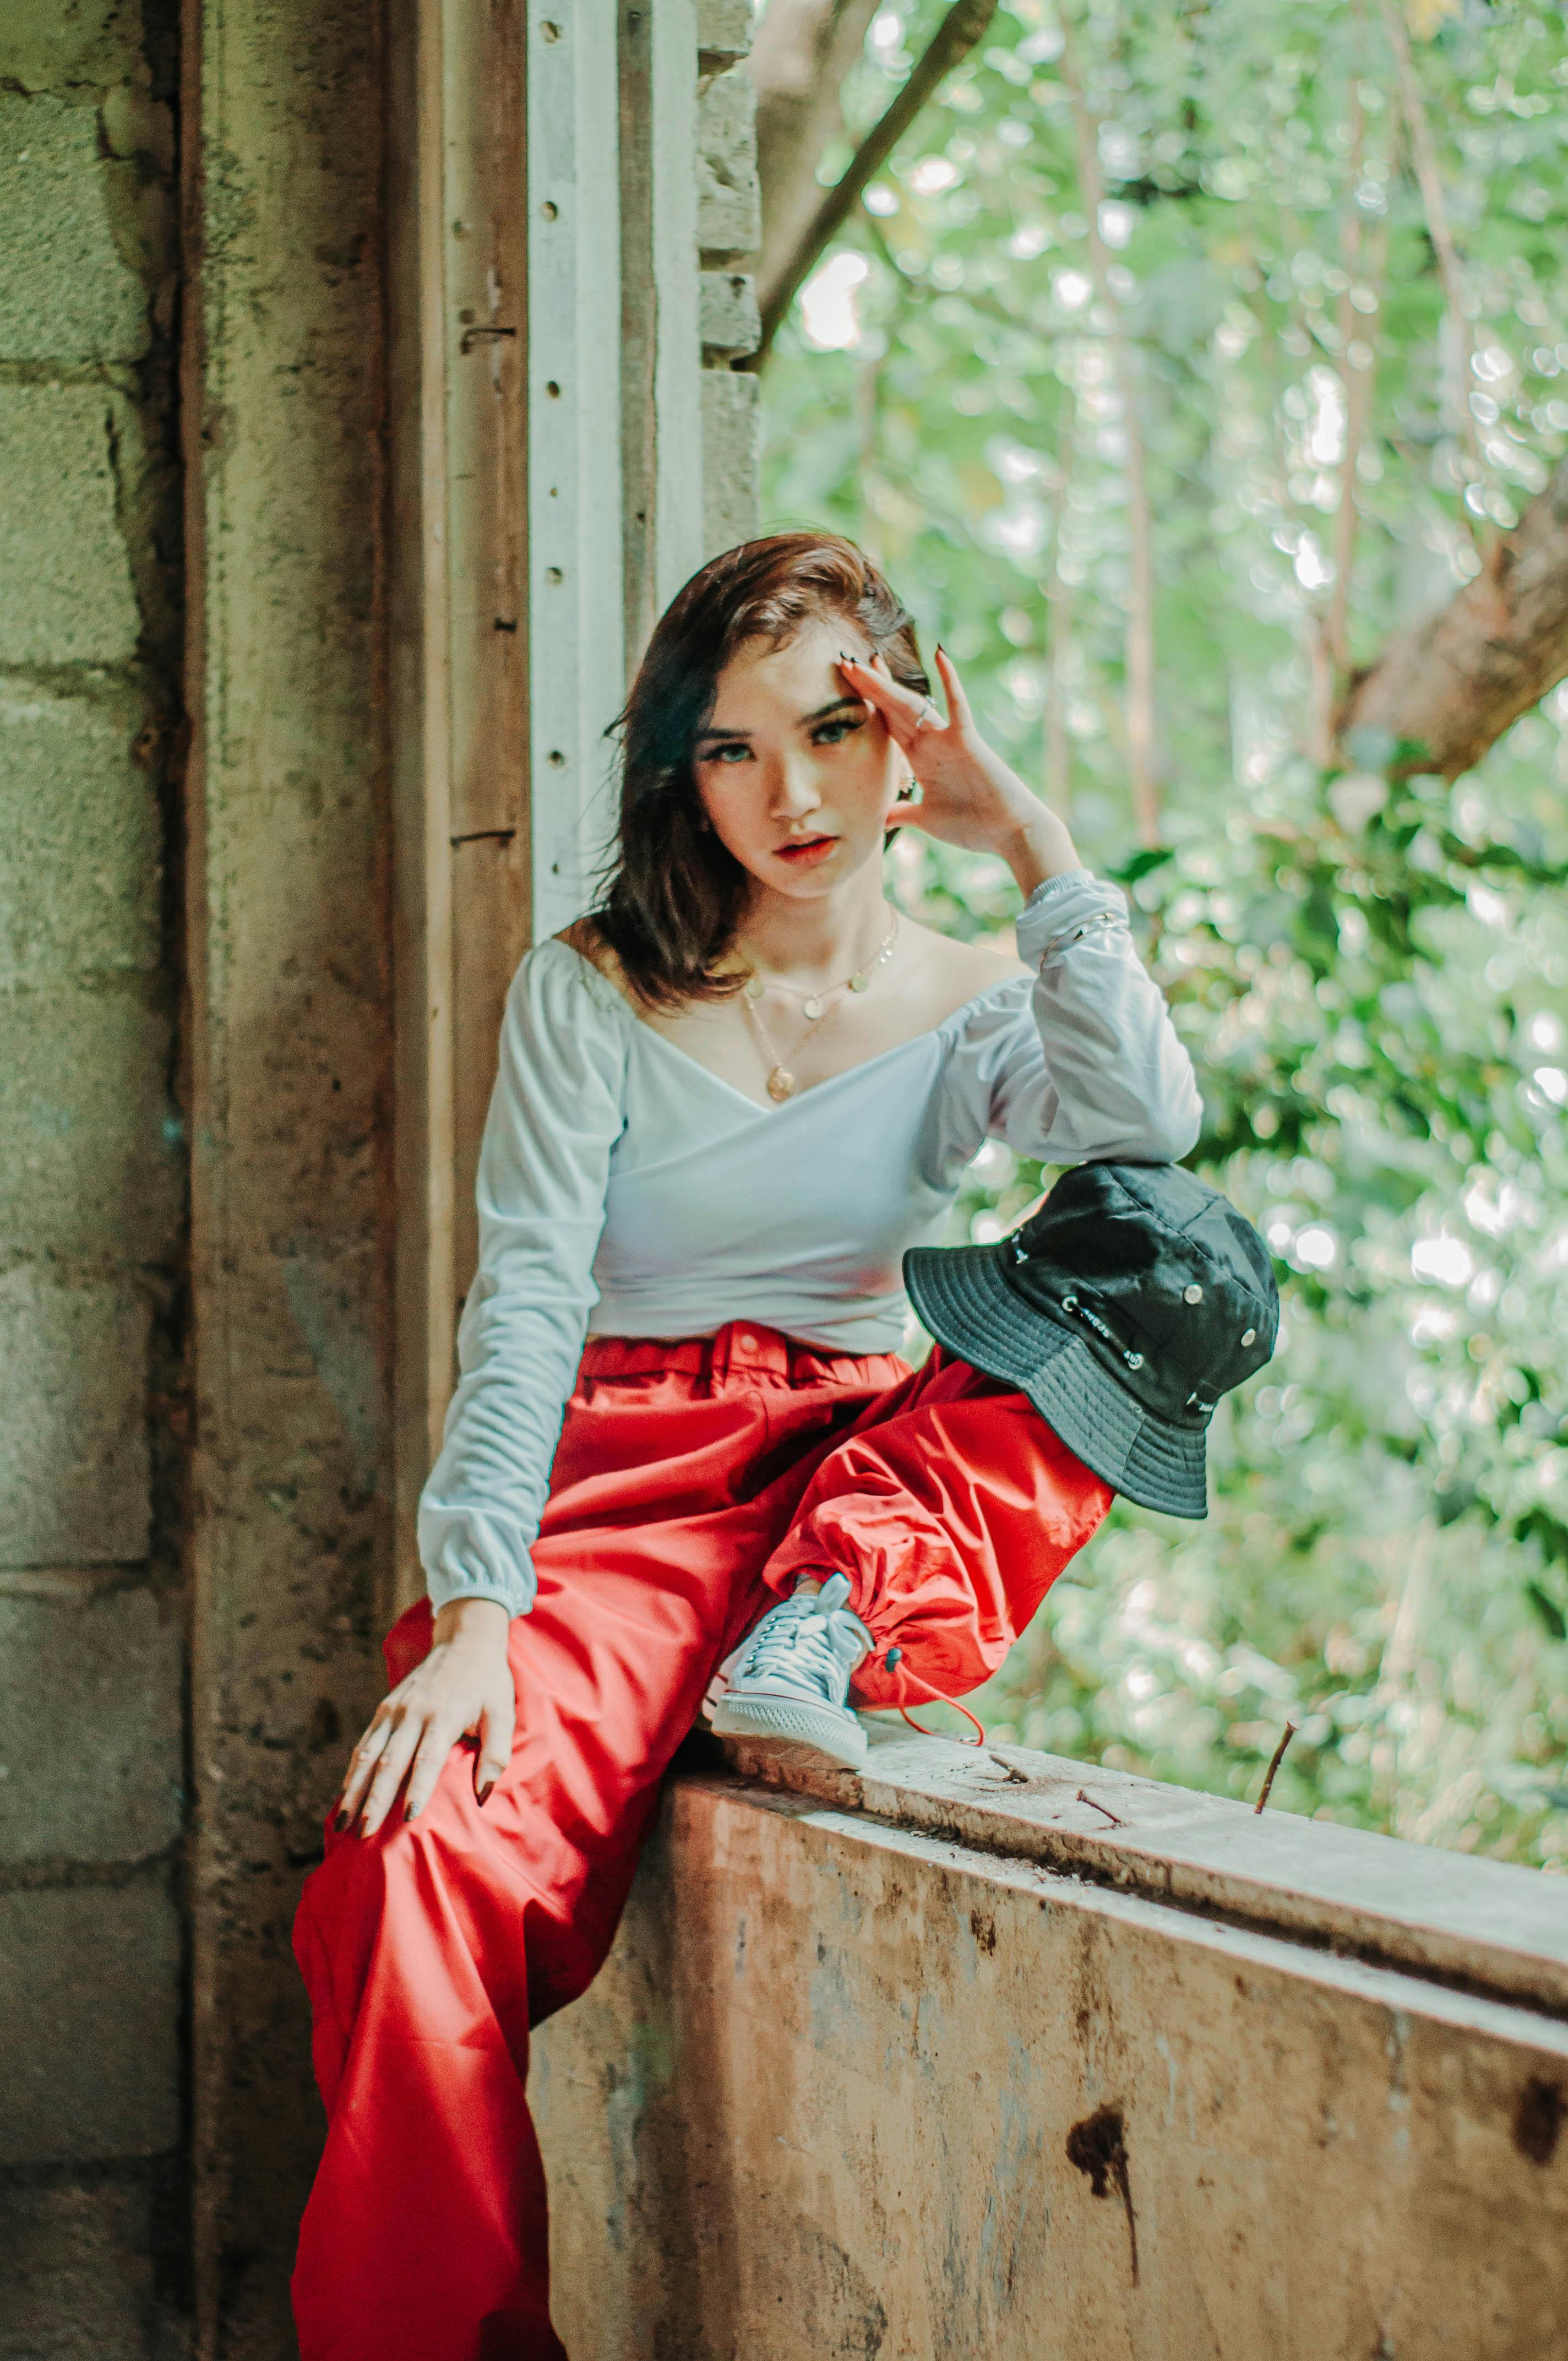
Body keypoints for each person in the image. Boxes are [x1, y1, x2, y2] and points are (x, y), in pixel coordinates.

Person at [291, 532, 1200, 2360]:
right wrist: (477, 1600)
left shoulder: (971, 1008)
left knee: (1183, 1261)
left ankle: (833, 1624)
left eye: (833, 727)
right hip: (622, 1484)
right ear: (674, 772)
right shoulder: (591, 991)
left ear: (907, 731)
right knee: (409, 1869)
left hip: (865, 1467)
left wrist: (1030, 844)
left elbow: (1149, 1127)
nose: (789, 792)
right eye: (728, 748)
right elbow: (526, 1297)